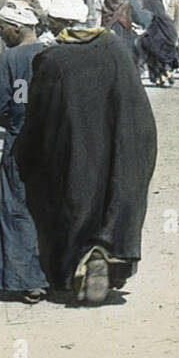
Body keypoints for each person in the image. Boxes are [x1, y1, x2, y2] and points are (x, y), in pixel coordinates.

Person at [14, 15, 158, 305]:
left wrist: (27, 151)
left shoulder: (52, 60)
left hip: (73, 153)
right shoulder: (115, 49)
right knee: (112, 199)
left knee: (70, 203)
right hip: (120, 147)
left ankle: (78, 263)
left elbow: (38, 117)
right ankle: (104, 250)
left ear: (58, 25)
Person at [0, 1, 48, 303]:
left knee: (16, 209)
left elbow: (9, 105)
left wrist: (16, 122)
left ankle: (25, 279)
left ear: (17, 28)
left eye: (2, 29)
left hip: (20, 143)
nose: (0, 35)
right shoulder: (50, 52)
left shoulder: (13, 59)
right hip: (51, 143)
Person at [138, 0, 179, 87]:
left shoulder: (143, 1)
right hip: (163, 30)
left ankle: (159, 79)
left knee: (153, 56)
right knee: (164, 53)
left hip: (152, 31)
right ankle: (167, 73)